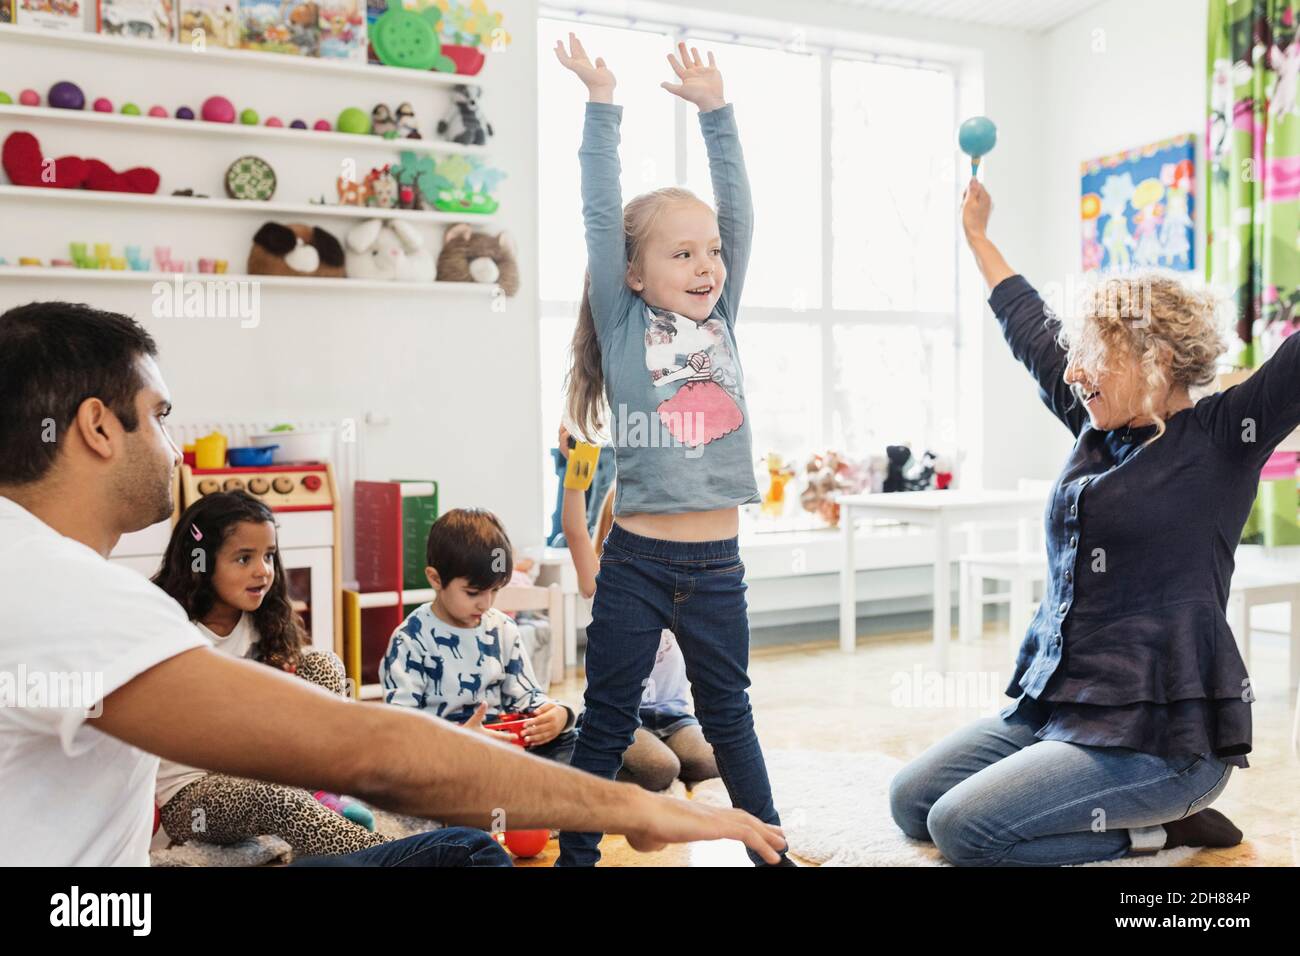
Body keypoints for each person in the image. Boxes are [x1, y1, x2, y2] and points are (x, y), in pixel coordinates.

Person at [0, 300, 788, 866]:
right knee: (468, 858)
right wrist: (639, 808)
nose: (173, 446)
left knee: (461, 851)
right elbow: (376, 753)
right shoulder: (60, 592)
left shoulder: (35, 567)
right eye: (160, 415)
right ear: (99, 428)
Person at [888, 179, 1267, 865]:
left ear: (1150, 357)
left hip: (1164, 740)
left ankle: (1152, 830)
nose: (1072, 371)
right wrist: (979, 237)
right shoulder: (1100, 431)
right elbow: (1027, 326)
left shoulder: (1220, 442)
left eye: (1091, 352)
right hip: (1062, 710)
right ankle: (1097, 804)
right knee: (911, 802)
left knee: (963, 830)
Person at [552, 35, 789, 866]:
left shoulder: (721, 321)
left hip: (719, 566)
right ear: (634, 274)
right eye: (681, 253)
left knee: (731, 716)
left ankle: (773, 850)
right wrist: (602, 103)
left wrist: (718, 114)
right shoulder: (626, 331)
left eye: (712, 252)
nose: (706, 266)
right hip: (638, 565)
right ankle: (577, 856)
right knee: (609, 716)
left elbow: (741, 214)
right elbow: (597, 206)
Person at [153, 491, 387, 857]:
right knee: (276, 797)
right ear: (201, 562)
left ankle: (317, 795)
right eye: (243, 558)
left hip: (262, 766)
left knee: (322, 664)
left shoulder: (261, 621)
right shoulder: (172, 630)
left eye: (268, 556)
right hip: (193, 795)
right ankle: (392, 856)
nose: (262, 571)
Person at [560, 452, 718, 791]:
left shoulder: (679, 577)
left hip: (673, 716)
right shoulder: (604, 581)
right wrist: (577, 469)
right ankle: (587, 763)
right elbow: (574, 531)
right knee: (661, 768)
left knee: (706, 761)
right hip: (623, 718)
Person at [381, 508, 578, 765]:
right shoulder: (409, 640)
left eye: (494, 591)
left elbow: (527, 696)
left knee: (572, 739)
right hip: (444, 755)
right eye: (473, 592)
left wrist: (557, 715)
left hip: (503, 747)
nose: (485, 604)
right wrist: (461, 741)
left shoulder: (503, 628)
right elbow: (400, 728)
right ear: (436, 579)